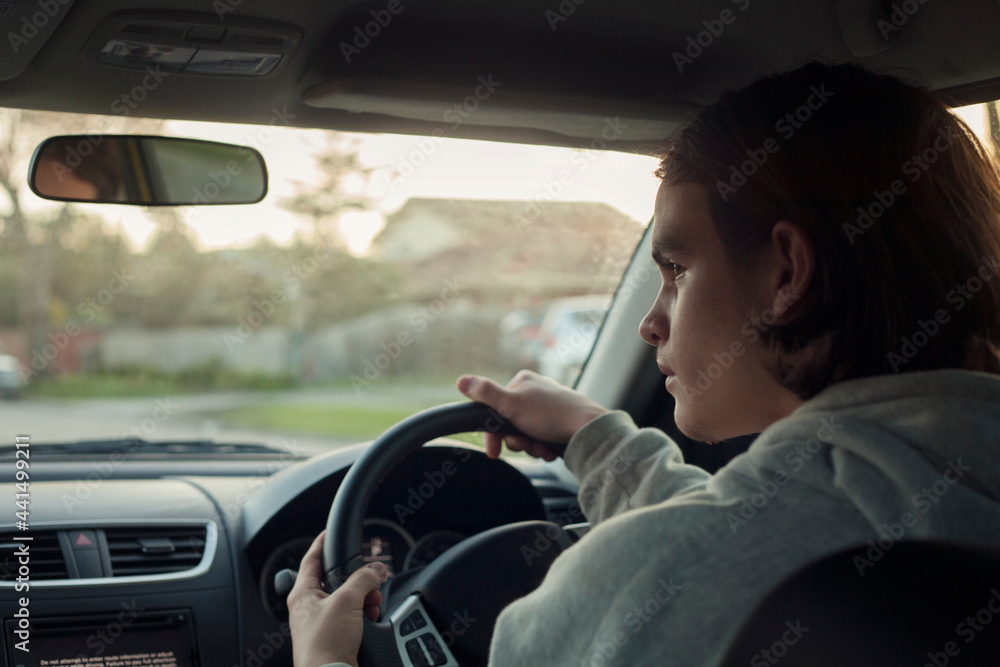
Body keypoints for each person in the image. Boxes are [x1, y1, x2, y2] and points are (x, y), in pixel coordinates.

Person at [286, 61, 1000, 666]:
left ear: (786, 274)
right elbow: (765, 530)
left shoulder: (635, 578)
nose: (649, 322)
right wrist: (598, 436)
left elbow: (711, 552)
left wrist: (322, 659)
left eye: (677, 270)